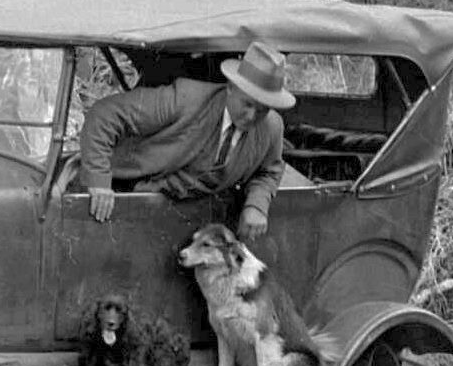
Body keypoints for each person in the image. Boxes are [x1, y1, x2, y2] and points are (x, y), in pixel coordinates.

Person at [79, 41, 295, 241]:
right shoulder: (185, 99)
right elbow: (104, 114)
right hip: (128, 192)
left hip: (191, 217)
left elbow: (269, 171)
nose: (251, 116)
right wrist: (98, 181)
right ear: (230, 87)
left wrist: (257, 204)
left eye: (262, 110)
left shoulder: (271, 127)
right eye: (247, 104)